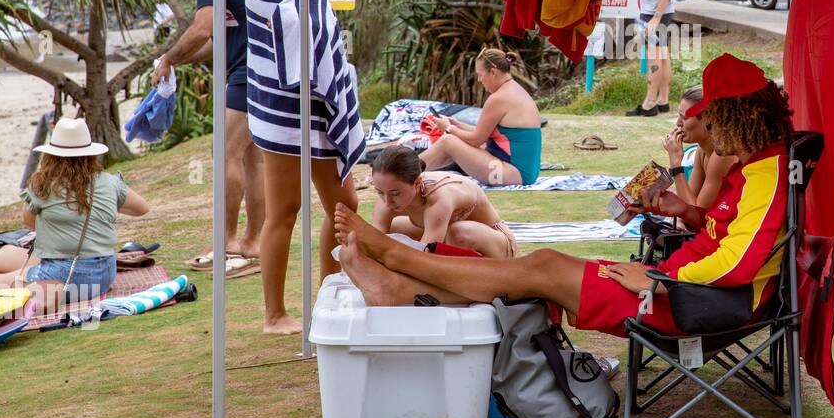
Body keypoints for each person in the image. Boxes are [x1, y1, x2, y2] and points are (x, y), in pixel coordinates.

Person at [333, 53, 791, 340]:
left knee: (541, 268)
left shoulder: (767, 173)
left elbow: (738, 262)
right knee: (532, 278)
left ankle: (398, 260)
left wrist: (656, 280)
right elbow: (727, 234)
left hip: (689, 302)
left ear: (740, 117)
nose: (707, 130)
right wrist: (689, 215)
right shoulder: (754, 167)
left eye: (714, 119)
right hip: (681, 287)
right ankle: (400, 285)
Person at [247, 0, 366, 334]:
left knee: (345, 205)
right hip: (281, 107)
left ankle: (327, 295)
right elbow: (294, 31)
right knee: (284, 210)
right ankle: (274, 315)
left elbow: (322, 28)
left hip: (318, 107)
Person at [155, 0, 263, 278]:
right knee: (251, 159)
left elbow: (203, 27)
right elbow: (214, 43)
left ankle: (228, 242)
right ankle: (253, 243)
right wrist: (176, 62)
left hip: (248, 73)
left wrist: (168, 58)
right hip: (263, 69)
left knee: (227, 153)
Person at [0, 119, 149, 314]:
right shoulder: (110, 183)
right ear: (90, 154)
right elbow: (142, 208)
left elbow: (29, 224)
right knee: (7, 252)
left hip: (68, 276)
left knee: (3, 280)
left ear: (51, 155)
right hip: (104, 274)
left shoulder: (43, 186)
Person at [419, 49, 543, 186]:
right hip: (525, 173)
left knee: (448, 141)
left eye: (480, 75)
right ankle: (409, 171)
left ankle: (403, 173)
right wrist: (455, 124)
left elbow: (476, 140)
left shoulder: (499, 98)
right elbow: (486, 133)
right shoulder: (516, 90)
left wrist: (448, 128)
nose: (479, 80)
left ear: (493, 72)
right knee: (455, 140)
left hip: (514, 174)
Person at [370, 146, 515, 258]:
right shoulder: (387, 195)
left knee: (458, 232)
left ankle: (467, 286)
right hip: (446, 239)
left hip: (497, 248)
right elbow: (373, 244)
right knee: (391, 232)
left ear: (417, 183)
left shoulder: (439, 199)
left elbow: (424, 257)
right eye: (380, 192)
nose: (387, 202)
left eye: (395, 194)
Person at [663, 85, 739, 210]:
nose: (678, 123)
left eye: (685, 118)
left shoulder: (722, 154)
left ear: (708, 119)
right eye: (679, 116)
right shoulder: (702, 149)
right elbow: (689, 199)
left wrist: (676, 163)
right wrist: (680, 222)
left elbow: (697, 212)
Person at [625, 0, 677, 117]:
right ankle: (663, 100)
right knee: (662, 53)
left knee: (653, 56)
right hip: (656, 10)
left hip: (655, 12)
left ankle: (650, 102)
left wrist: (656, 17)